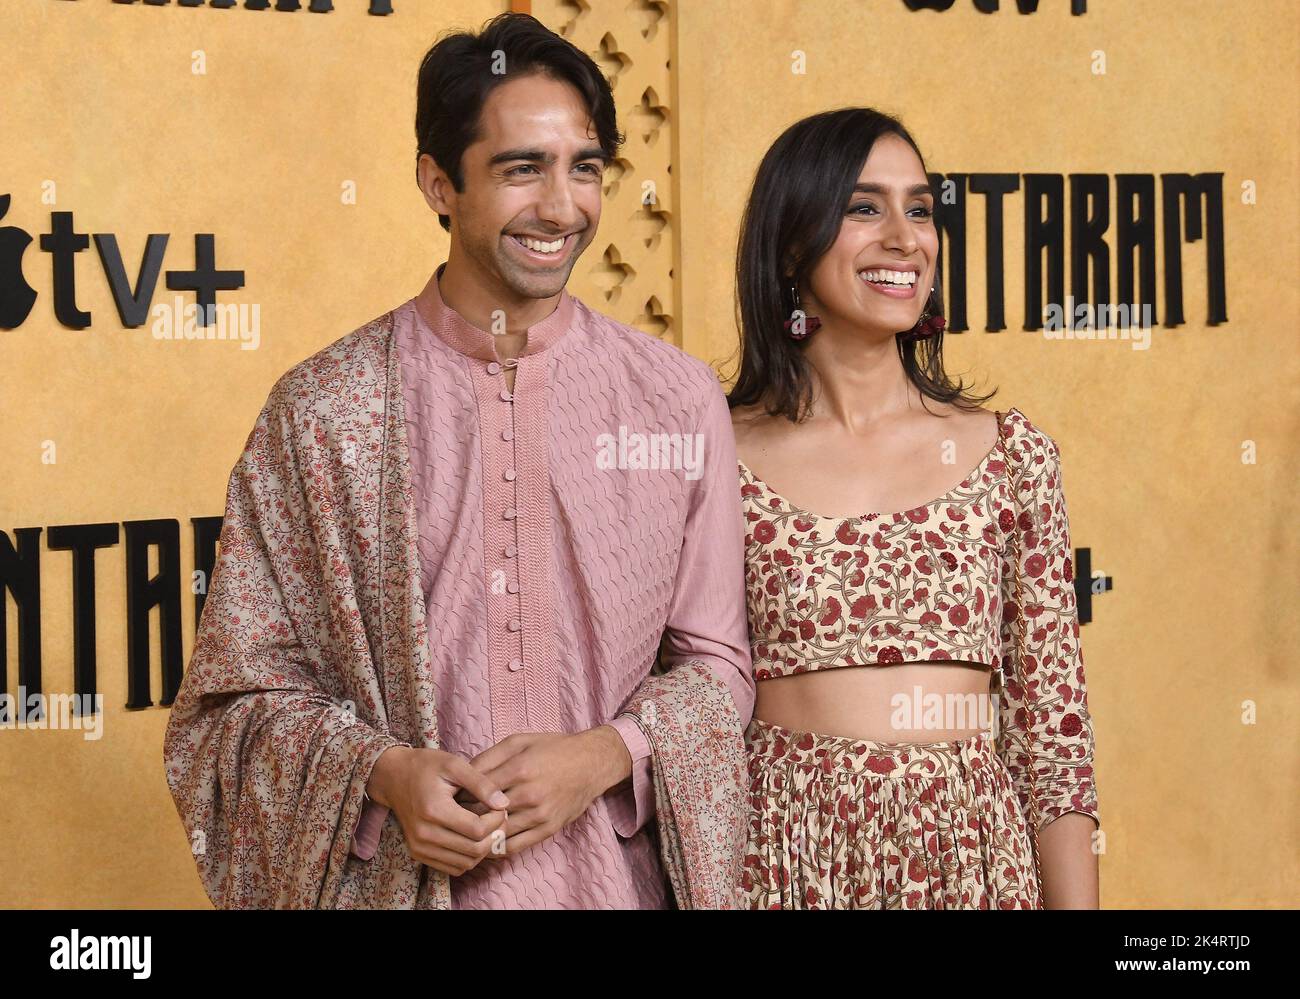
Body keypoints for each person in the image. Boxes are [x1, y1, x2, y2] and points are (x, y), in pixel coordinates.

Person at [163, 12, 753, 910]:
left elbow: (719, 673)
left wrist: (599, 756)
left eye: (584, 167)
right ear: (440, 184)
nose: (562, 206)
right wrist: (384, 773)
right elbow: (233, 704)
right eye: (523, 168)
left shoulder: (675, 401)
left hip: (613, 887)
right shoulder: (323, 410)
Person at [727, 108, 1100, 909]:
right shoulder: (715, 459)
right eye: (864, 208)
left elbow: (1054, 744)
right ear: (793, 242)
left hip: (972, 865)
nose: (905, 237)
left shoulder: (1012, 456)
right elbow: (684, 700)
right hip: (786, 862)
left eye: (921, 209)